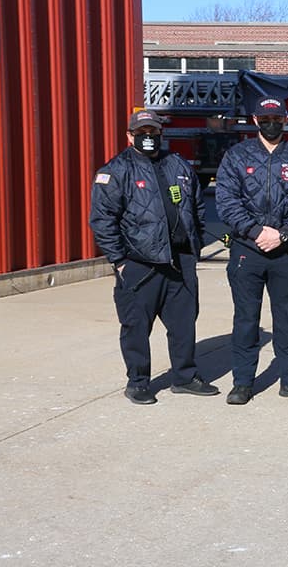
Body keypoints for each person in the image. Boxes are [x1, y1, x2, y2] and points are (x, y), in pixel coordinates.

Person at [90, 110, 219, 404]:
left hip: (180, 261)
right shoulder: (115, 171)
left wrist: (195, 247)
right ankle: (138, 382)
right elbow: (102, 220)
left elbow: (197, 207)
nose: (148, 137)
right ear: (130, 136)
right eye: (141, 132)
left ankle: (185, 377)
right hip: (140, 264)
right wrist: (119, 260)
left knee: (184, 324)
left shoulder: (178, 165)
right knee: (136, 327)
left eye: (153, 132)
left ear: (161, 134)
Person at [215, 96, 288, 405]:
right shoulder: (237, 156)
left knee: (287, 320)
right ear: (255, 120)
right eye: (265, 119)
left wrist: (284, 233)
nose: (270, 124)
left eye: (276, 119)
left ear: (286, 120)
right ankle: (242, 383)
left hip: (286, 252)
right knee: (246, 320)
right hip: (247, 251)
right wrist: (256, 231)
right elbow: (227, 201)